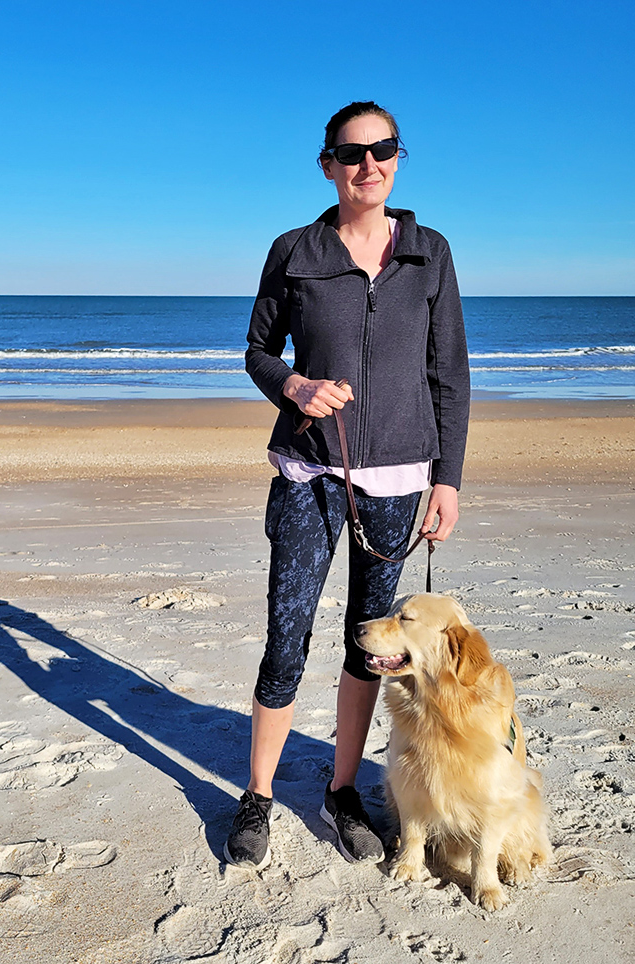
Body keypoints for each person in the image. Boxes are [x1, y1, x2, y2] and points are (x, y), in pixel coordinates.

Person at [224, 101, 470, 871]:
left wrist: (448, 481)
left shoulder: (430, 254)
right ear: (328, 164)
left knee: (372, 646)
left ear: (399, 158)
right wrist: (293, 388)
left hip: (399, 484)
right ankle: (259, 796)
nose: (370, 166)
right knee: (285, 640)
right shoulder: (294, 251)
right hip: (308, 475)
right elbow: (259, 351)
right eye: (352, 153)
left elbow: (449, 376)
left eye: (383, 150)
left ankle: (340, 790)